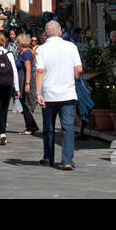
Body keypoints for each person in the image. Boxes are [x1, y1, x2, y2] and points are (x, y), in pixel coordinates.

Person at [36, 20, 83, 170]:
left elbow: (40, 71)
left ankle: (48, 158)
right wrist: (75, 77)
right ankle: (67, 160)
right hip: (68, 93)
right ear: (60, 32)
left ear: (46, 34)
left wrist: (38, 93)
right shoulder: (71, 46)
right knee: (68, 127)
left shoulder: (42, 49)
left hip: (49, 94)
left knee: (49, 127)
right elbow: (79, 69)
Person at [15, 33, 40, 135]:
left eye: (18, 42)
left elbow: (28, 68)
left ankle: (29, 127)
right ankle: (32, 126)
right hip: (21, 79)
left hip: (24, 79)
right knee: (23, 104)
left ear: (21, 43)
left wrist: (27, 83)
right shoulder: (22, 53)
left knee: (25, 104)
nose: (16, 44)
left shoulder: (26, 53)